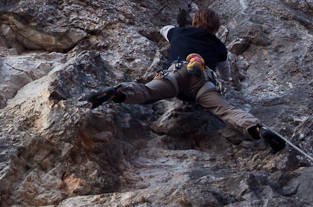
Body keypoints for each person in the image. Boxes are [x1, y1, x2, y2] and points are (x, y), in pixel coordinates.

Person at [87, 8, 285, 153]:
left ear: (194, 22)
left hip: (176, 74)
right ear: (216, 28)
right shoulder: (219, 46)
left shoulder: (179, 32)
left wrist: (179, 31)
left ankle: (118, 92)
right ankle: (258, 129)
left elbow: (164, 29)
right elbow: (225, 74)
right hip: (203, 82)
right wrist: (224, 82)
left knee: (148, 92)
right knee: (226, 110)